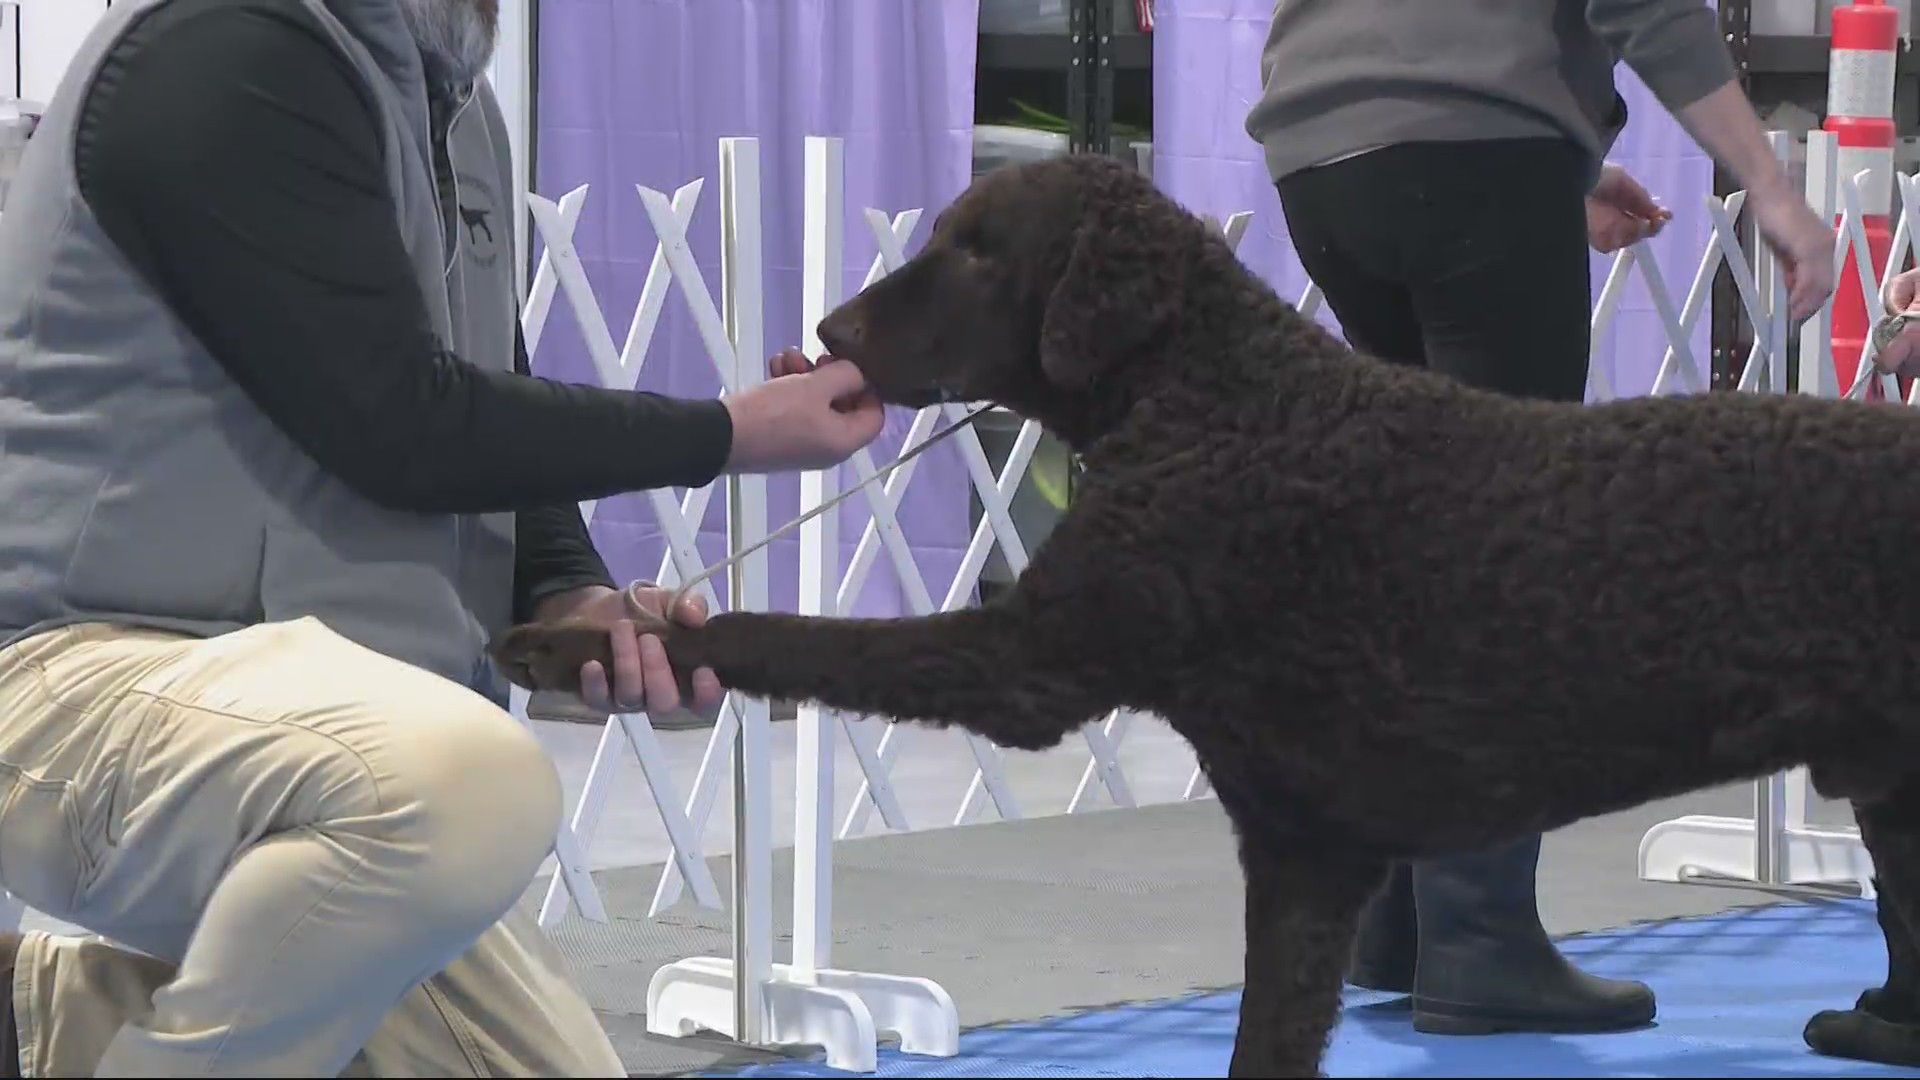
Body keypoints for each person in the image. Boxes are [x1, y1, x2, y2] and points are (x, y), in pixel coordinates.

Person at [0, 0, 884, 1074]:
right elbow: (398, 419)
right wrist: (726, 433)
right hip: (72, 680)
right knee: (462, 787)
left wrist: (570, 602)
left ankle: (46, 1023)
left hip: (345, 730)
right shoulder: (222, 52)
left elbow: (480, 395)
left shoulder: (455, 103)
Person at [1245, 0, 1837, 1042]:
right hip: (1477, 148)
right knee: (1505, 553)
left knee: (1416, 550)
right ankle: (1478, 941)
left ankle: (1396, 922)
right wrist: (1774, 190)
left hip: (1322, 156)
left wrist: (1551, 173)